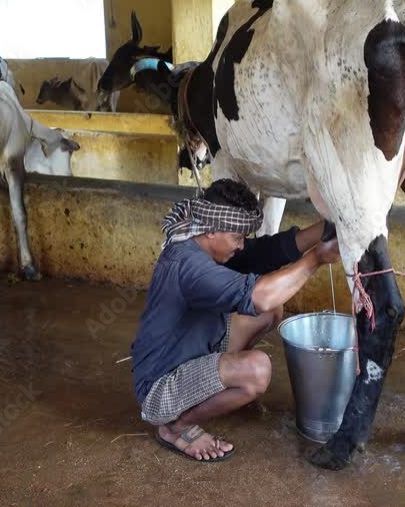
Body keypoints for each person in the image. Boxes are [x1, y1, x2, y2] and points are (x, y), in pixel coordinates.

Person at [130, 178, 342, 462]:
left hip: (197, 350)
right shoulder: (189, 265)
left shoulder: (200, 244)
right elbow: (261, 296)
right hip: (160, 388)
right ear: (212, 230)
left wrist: (328, 228)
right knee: (257, 370)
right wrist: (316, 258)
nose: (242, 246)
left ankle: (219, 386)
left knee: (271, 314)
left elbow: (263, 253)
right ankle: (176, 426)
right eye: (237, 238)